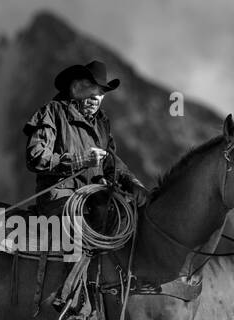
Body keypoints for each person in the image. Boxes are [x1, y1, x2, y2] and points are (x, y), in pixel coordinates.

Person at [23, 60, 148, 215]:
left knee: (126, 216)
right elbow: (36, 158)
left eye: (101, 92)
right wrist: (81, 160)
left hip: (94, 200)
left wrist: (132, 182)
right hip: (60, 200)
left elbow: (111, 162)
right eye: (90, 88)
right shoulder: (53, 112)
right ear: (74, 88)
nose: (96, 97)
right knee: (89, 220)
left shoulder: (101, 123)